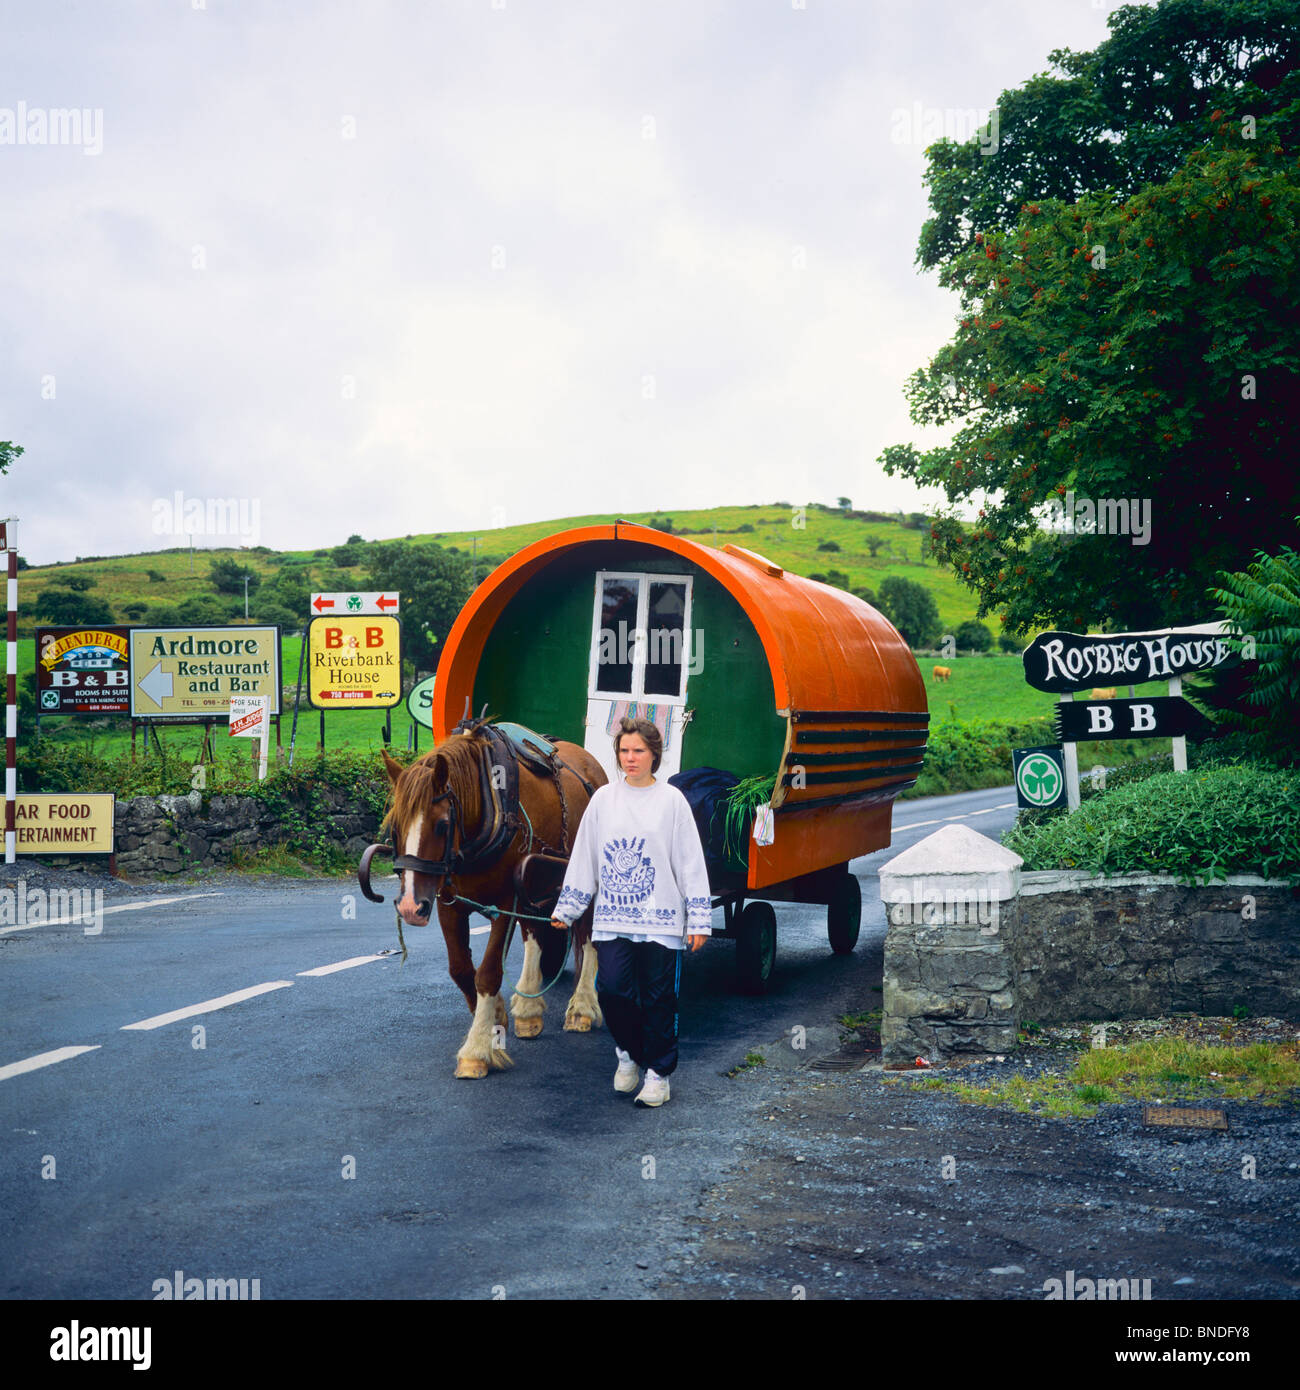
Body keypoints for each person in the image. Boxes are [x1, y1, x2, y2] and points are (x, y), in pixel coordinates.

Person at [550, 716, 711, 1106]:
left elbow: (690, 861)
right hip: (612, 919)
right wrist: (568, 908)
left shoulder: (672, 801)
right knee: (612, 992)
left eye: (638, 750)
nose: (630, 758)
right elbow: (585, 856)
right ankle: (628, 1054)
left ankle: (657, 1074)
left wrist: (699, 920)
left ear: (655, 754)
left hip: (663, 920)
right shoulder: (604, 800)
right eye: (624, 751)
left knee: (659, 999)